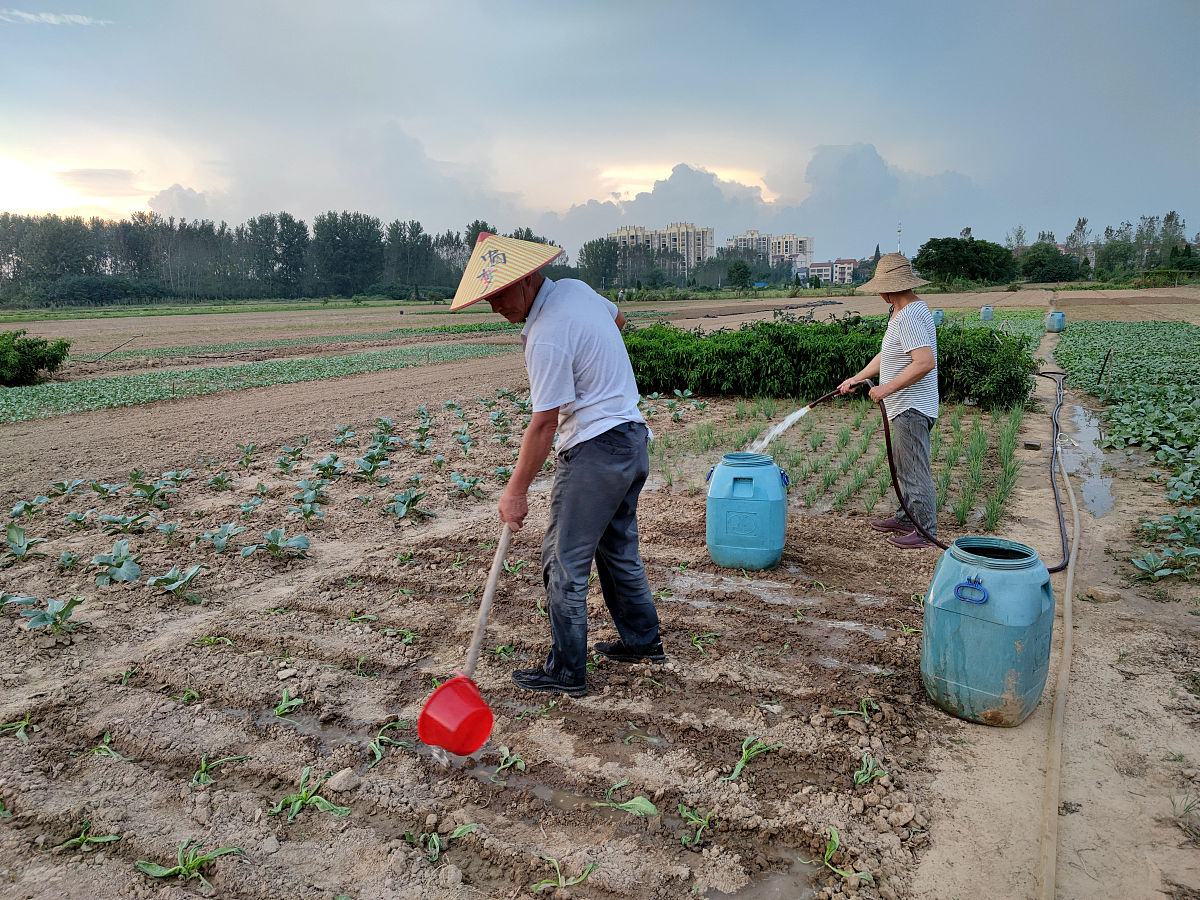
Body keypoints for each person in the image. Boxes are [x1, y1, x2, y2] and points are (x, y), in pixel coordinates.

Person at [449, 233, 664, 695]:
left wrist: (515, 491)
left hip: (595, 450)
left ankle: (566, 671)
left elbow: (544, 425)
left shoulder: (546, 336)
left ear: (527, 280)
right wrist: (598, 368)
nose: (495, 308)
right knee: (617, 549)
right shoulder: (576, 290)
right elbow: (619, 319)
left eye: (500, 294)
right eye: (488, 299)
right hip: (631, 438)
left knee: (563, 561)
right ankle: (643, 643)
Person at [838, 252, 939, 549]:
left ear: (886, 289)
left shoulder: (908, 316)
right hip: (908, 406)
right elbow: (889, 355)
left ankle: (925, 531)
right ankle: (907, 518)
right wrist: (857, 378)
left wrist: (886, 389)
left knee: (913, 469)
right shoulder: (906, 311)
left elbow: (924, 362)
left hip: (911, 407)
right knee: (904, 466)